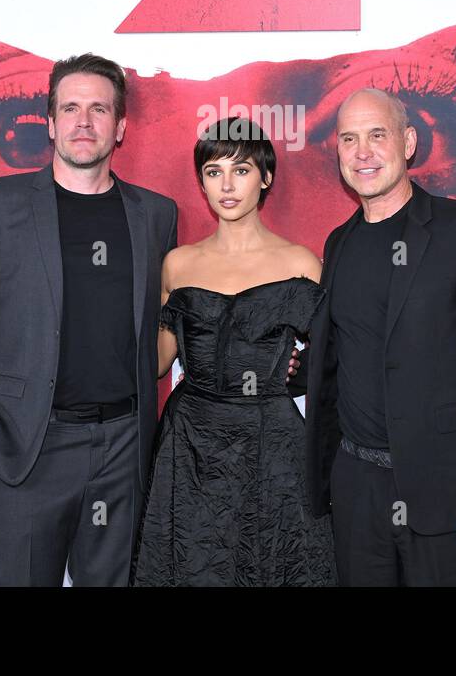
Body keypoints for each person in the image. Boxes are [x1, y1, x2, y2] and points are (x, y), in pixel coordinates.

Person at [0, 53, 178, 586]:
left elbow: (174, 321)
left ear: (120, 128)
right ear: (50, 122)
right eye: (70, 107)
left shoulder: (156, 216)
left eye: (99, 109)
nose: (84, 122)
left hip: (123, 450)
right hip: (29, 450)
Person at [302, 88, 456, 586]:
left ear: (407, 143)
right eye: (348, 139)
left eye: (377, 135)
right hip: (358, 491)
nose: (363, 152)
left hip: (451, 490)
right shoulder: (339, 244)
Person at [131, 118, 337, 585]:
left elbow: (333, 360)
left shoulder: (300, 263)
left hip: (274, 444)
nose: (226, 185)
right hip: (190, 444)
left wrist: (295, 370)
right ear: (201, 181)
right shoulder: (178, 264)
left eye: (241, 170)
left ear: (265, 178)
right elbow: (159, 362)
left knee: (277, 564)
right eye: (213, 171)